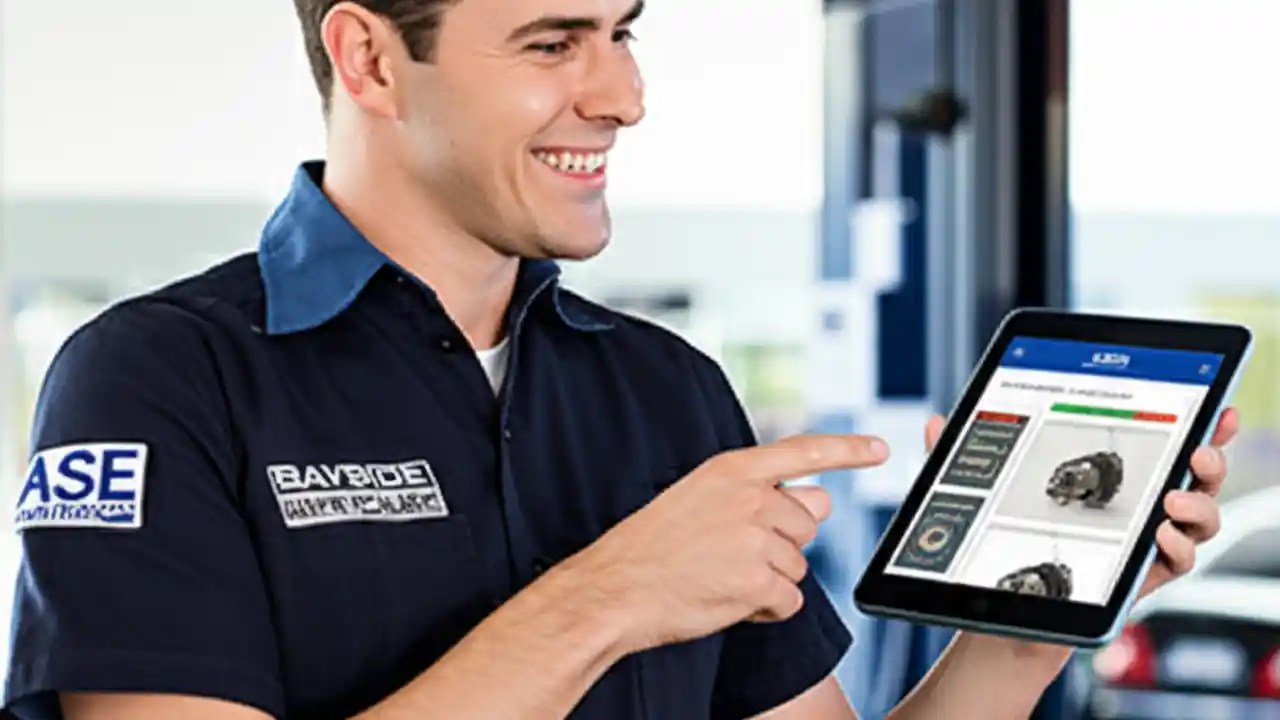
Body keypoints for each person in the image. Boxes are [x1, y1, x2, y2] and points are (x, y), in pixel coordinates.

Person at [2, 1, 1238, 718]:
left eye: (622, 31)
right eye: (552, 43)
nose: (623, 95)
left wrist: (1028, 625)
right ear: (370, 59)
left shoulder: (668, 389)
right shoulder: (158, 379)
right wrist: (608, 597)